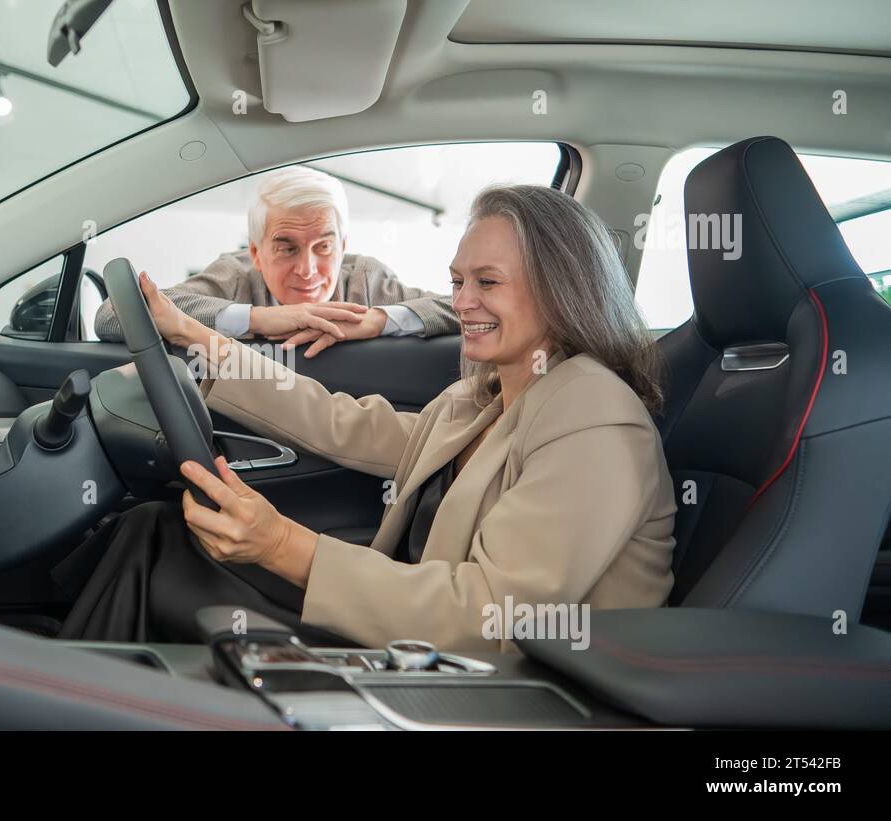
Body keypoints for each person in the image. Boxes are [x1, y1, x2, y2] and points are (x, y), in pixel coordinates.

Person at [57, 184, 676, 652]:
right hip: (411, 627)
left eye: (488, 282)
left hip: (497, 685)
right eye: (457, 281)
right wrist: (195, 338)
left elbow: (493, 616)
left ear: (561, 288)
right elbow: (341, 422)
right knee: (152, 529)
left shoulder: (594, 417)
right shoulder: (487, 395)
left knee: (155, 552)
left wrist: (281, 545)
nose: (462, 302)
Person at [92, 166, 459, 357]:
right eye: (287, 248)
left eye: (324, 247)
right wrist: (259, 318)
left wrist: (375, 320)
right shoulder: (233, 276)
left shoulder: (366, 280)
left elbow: (461, 308)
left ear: (343, 246)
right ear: (255, 253)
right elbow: (112, 314)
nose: (308, 270)